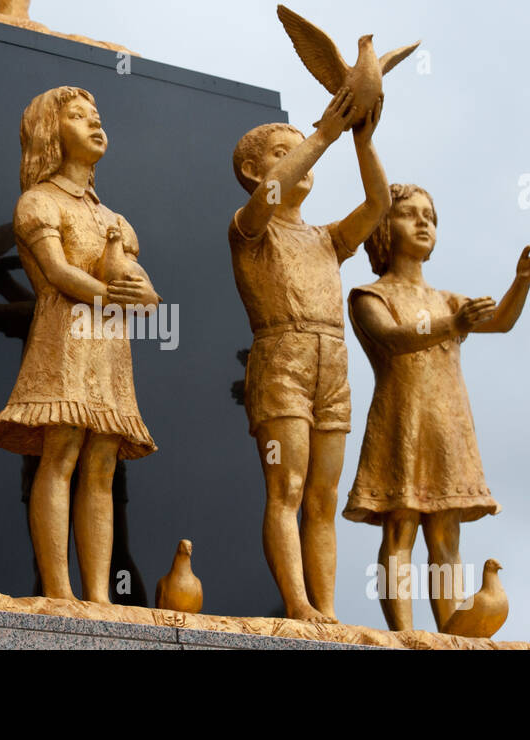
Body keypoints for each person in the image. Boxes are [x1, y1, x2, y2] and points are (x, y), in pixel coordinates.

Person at [345, 183, 530, 632]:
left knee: (446, 532)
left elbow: (501, 321)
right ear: (384, 227)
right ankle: (403, 632)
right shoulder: (369, 295)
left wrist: (522, 282)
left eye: (430, 217)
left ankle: (449, 631)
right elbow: (392, 338)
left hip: (447, 424)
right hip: (402, 421)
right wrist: (451, 325)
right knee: (400, 526)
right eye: (410, 214)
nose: (423, 223)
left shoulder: (446, 298)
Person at [0, 86, 159, 604]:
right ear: (51, 132)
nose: (94, 123)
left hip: (107, 345)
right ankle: (60, 588)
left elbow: (141, 284)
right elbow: (59, 273)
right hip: (64, 335)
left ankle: (101, 595)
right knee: (60, 450)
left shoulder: (116, 221)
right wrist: (117, 295)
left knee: (103, 462)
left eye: (97, 115)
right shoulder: (39, 202)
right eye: (79, 116)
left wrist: (145, 295)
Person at [228, 88, 390, 623]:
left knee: (324, 495)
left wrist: (362, 138)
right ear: (253, 170)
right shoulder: (249, 228)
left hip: (332, 361)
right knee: (288, 486)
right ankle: (297, 602)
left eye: (301, 151)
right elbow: (269, 199)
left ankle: (326, 607)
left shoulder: (326, 238)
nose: (302, 159)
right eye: (283, 150)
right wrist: (323, 133)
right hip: (282, 357)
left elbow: (378, 206)